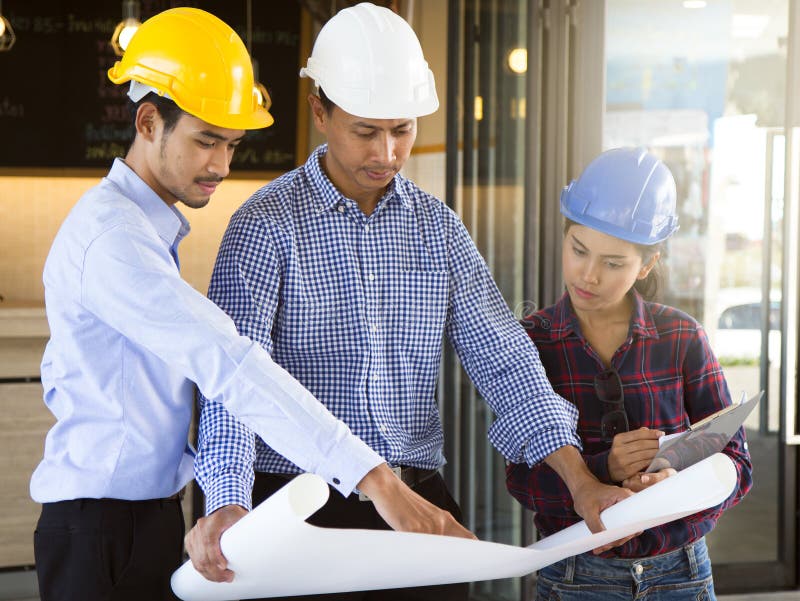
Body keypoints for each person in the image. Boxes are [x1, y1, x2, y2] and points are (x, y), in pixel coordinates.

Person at [30, 8, 475, 601]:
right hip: (102, 529)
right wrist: (378, 481)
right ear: (147, 122)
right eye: (206, 141)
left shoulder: (146, 229)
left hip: (141, 519)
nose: (221, 165)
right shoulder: (115, 239)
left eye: (233, 144)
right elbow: (230, 364)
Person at [193, 4, 632, 599]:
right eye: (366, 132)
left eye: (401, 130)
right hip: (297, 507)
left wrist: (580, 481)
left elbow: (504, 360)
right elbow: (231, 383)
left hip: (418, 500)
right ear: (320, 112)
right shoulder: (265, 227)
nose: (387, 154)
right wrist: (225, 501)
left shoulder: (438, 230)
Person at [505, 147, 753, 600]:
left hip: (682, 574)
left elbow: (737, 465)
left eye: (613, 262)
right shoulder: (533, 341)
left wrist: (674, 487)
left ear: (648, 264)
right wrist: (602, 469)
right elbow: (521, 479)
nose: (588, 275)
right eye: (578, 250)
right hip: (576, 576)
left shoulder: (682, 337)